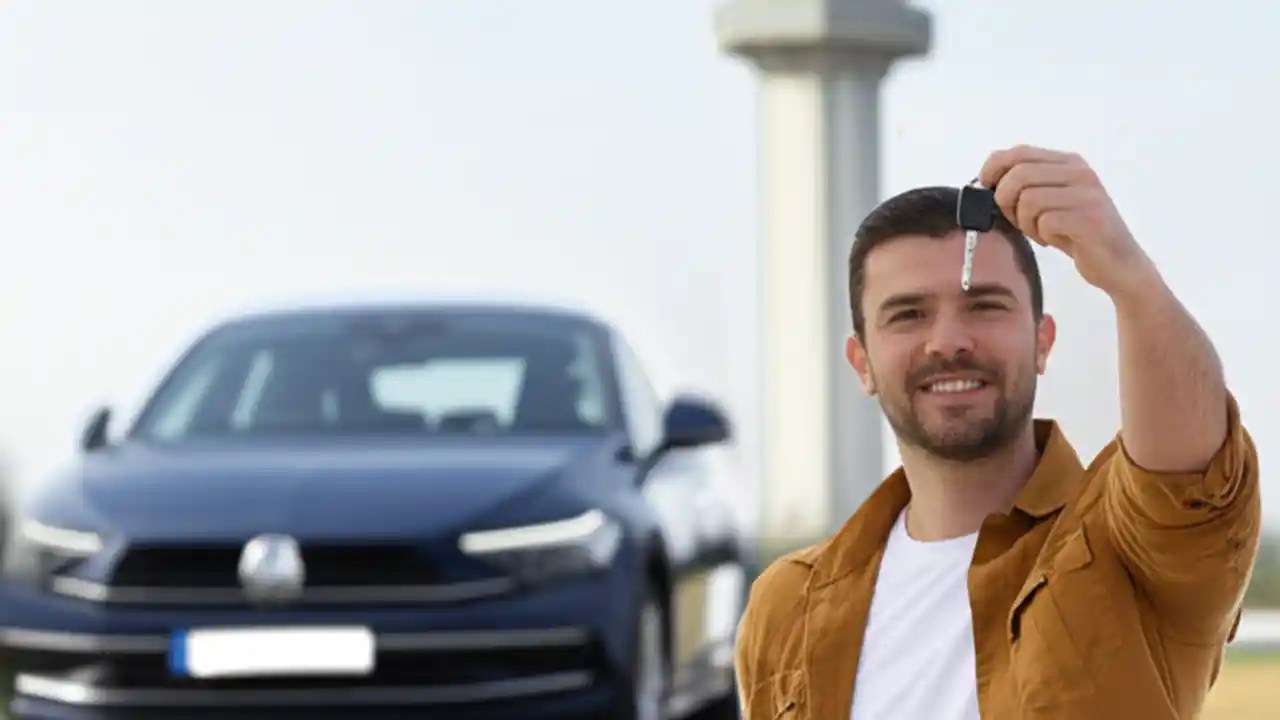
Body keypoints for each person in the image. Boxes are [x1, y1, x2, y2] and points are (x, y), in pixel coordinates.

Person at [732, 145, 1261, 719]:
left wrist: (1129, 277)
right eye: (908, 314)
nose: (948, 342)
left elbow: (1193, 477)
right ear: (862, 364)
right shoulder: (787, 606)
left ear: (1042, 342)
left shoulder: (1127, 549)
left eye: (984, 306)